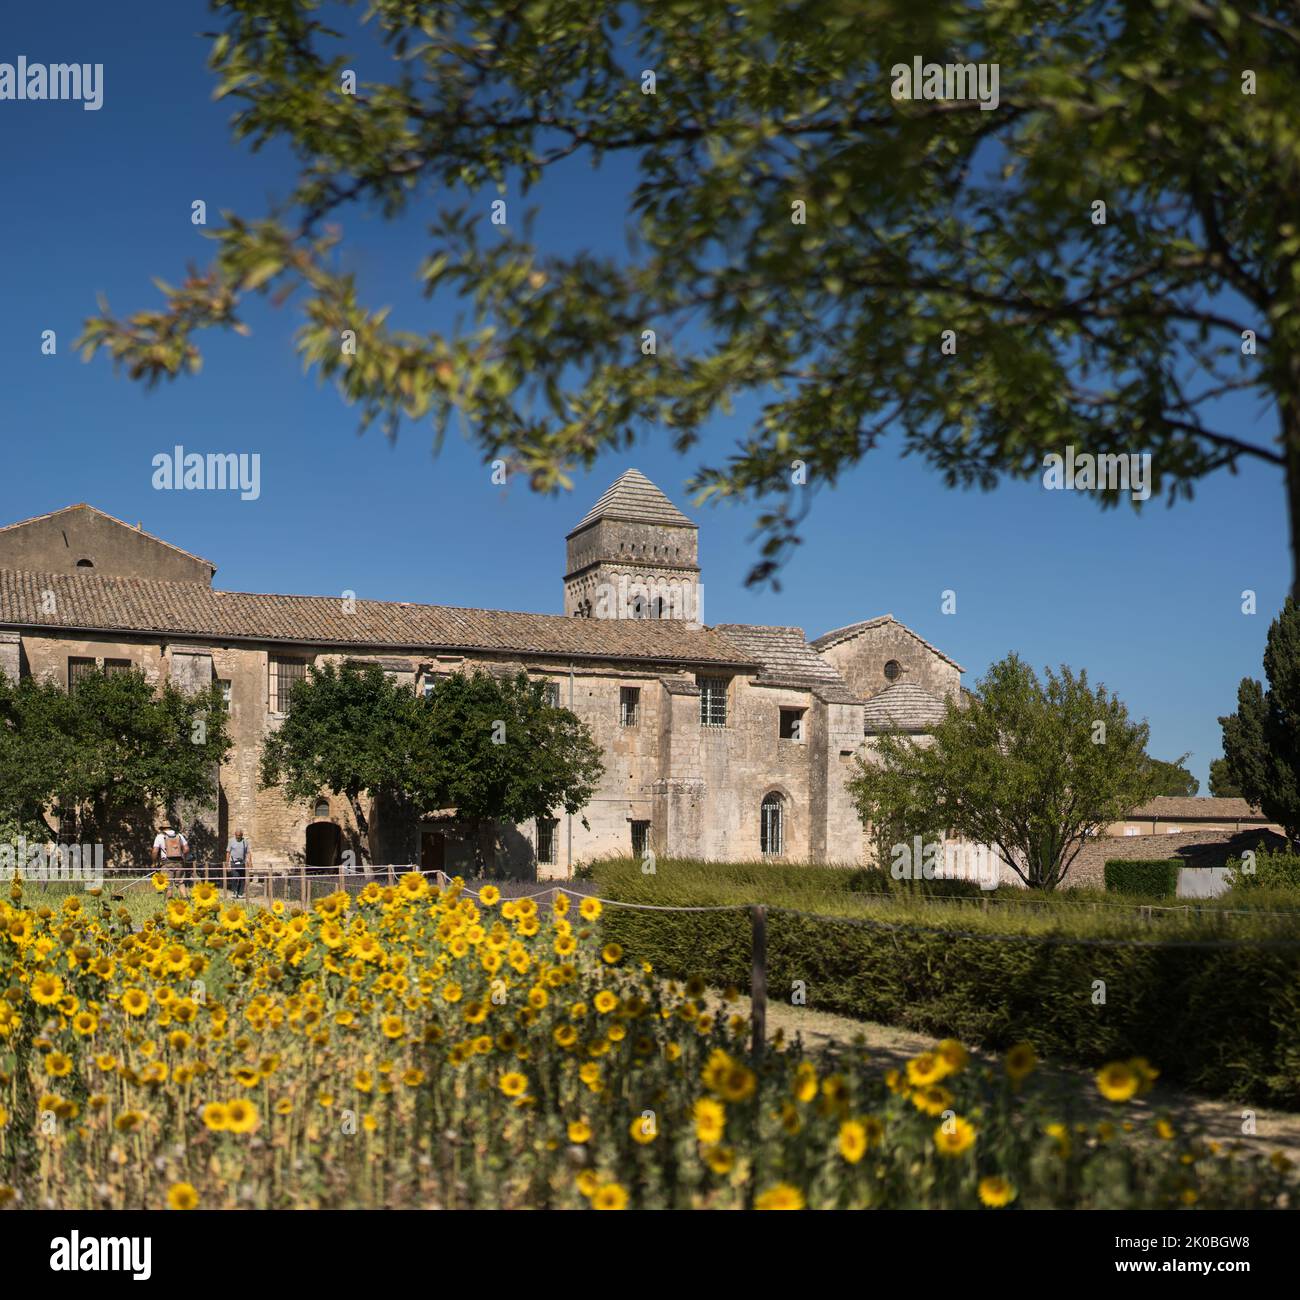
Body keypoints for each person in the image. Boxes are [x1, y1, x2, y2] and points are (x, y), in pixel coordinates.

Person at [152, 821, 189, 890]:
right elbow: (186, 849)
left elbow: (155, 851)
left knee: (168, 884)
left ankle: (169, 900)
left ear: (162, 828)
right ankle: (185, 898)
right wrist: (184, 859)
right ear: (170, 827)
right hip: (179, 862)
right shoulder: (179, 835)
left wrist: (154, 863)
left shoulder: (159, 836)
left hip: (166, 862)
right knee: (180, 882)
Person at [225, 828, 251, 899]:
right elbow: (228, 852)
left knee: (242, 878)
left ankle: (240, 893)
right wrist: (227, 864)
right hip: (234, 861)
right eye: (237, 835)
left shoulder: (245, 841)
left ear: (241, 835)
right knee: (235, 876)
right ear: (235, 835)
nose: (238, 837)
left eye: (239, 835)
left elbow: (248, 852)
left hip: (242, 862)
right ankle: (234, 891)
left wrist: (250, 862)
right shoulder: (231, 841)